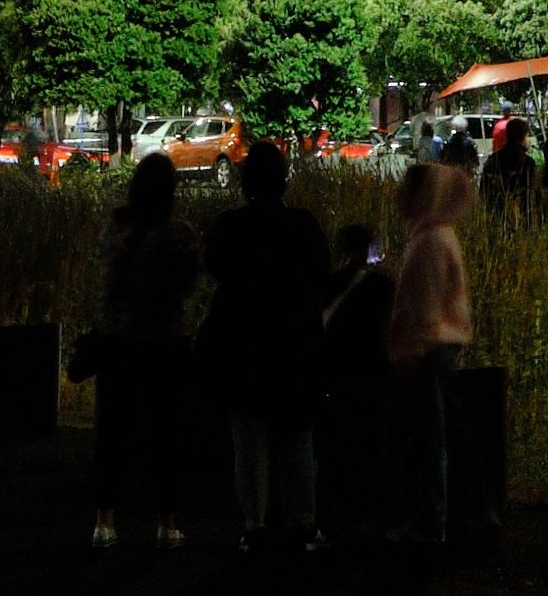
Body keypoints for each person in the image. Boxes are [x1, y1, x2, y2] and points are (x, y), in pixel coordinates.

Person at [199, 141, 327, 551]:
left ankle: (254, 525)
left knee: (249, 440)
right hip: (294, 344)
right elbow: (319, 279)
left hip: (244, 344)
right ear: (283, 179)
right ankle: (303, 522)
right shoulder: (304, 226)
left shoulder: (230, 226)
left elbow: (215, 270)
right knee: (296, 438)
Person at [90, 154, 200, 550]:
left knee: (112, 434)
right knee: (167, 435)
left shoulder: (116, 228)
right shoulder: (178, 232)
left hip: (118, 341)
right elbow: (188, 284)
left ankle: (105, 521)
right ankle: (167, 523)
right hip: (166, 342)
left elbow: (101, 282)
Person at [385, 159, 476, 548]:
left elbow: (422, 306)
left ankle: (431, 523)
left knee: (429, 440)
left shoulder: (429, 242)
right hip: (439, 348)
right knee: (433, 436)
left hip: (429, 351)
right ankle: (435, 519)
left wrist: (409, 352)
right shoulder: (440, 235)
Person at [315, 222, 394, 540]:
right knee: (370, 442)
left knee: (336, 442)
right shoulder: (383, 286)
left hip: (336, 374)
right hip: (372, 373)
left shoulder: (330, 283)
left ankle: (334, 509)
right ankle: (367, 512)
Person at [477, 118, 537, 212]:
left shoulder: (494, 159)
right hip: (521, 213)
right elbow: (531, 192)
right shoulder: (528, 162)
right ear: (523, 137)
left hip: (496, 211)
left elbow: (483, 189)